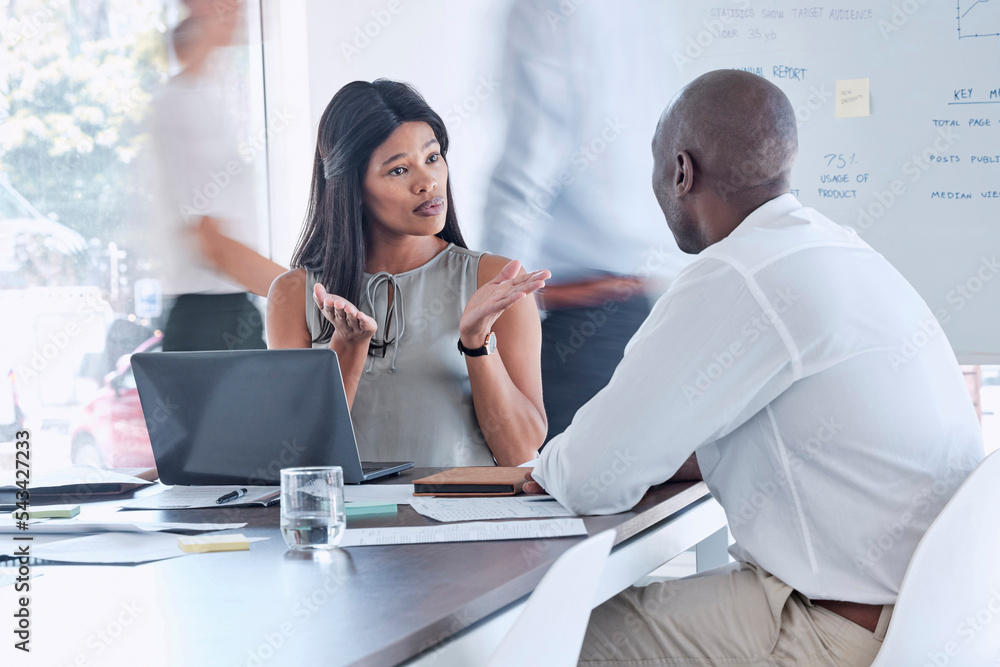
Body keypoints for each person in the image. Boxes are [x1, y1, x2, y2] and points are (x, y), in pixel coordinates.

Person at [525, 70, 985, 666]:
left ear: (681, 171)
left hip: (837, 634)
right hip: (930, 624)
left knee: (543, 634)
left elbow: (588, 477)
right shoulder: (840, 248)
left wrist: (549, 467)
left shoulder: (739, 273)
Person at [267, 80, 549, 468]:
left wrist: (476, 342)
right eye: (399, 169)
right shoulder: (293, 294)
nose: (427, 182)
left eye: (432, 157)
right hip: (350, 509)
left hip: (465, 506)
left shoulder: (494, 281)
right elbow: (298, 456)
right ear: (353, 187)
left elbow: (520, 452)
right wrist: (347, 347)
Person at [482, 0, 691, 445]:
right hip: (634, 304)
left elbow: (529, 162)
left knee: (533, 477)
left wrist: (485, 294)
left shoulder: (548, 7)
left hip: (573, 321)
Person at [149, 4, 285, 352]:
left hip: (222, 315)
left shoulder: (200, 96)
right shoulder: (184, 104)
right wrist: (311, 294)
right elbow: (214, 242)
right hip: (212, 321)